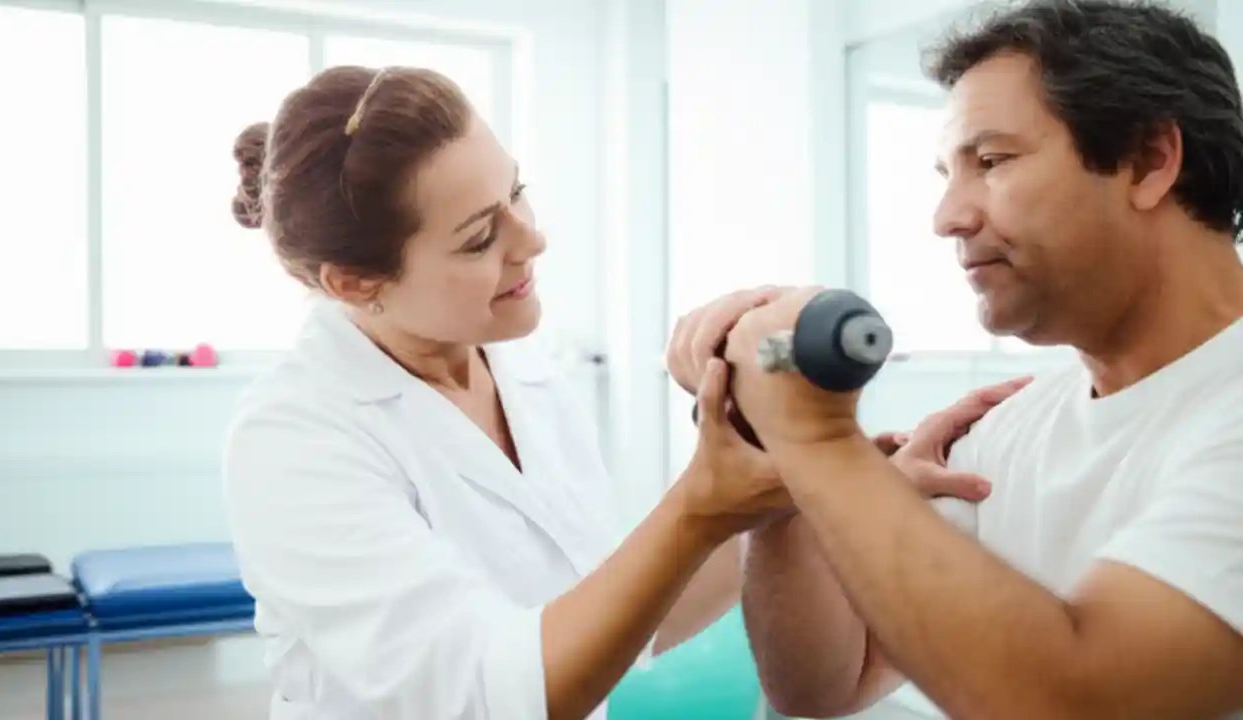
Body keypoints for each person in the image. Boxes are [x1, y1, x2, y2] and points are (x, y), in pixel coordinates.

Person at [220, 65, 1009, 719]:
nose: (533, 240)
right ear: (356, 283)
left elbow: (621, 614)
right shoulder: (295, 440)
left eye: (517, 194)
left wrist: (807, 495)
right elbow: (497, 694)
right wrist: (700, 501)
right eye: (478, 237)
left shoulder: (523, 371)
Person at [669, 1, 1243, 718]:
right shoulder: (1008, 429)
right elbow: (824, 686)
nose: (948, 217)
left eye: (991, 162)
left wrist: (816, 439)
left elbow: (1084, 700)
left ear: (1149, 161)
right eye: (949, 172)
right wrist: (781, 489)